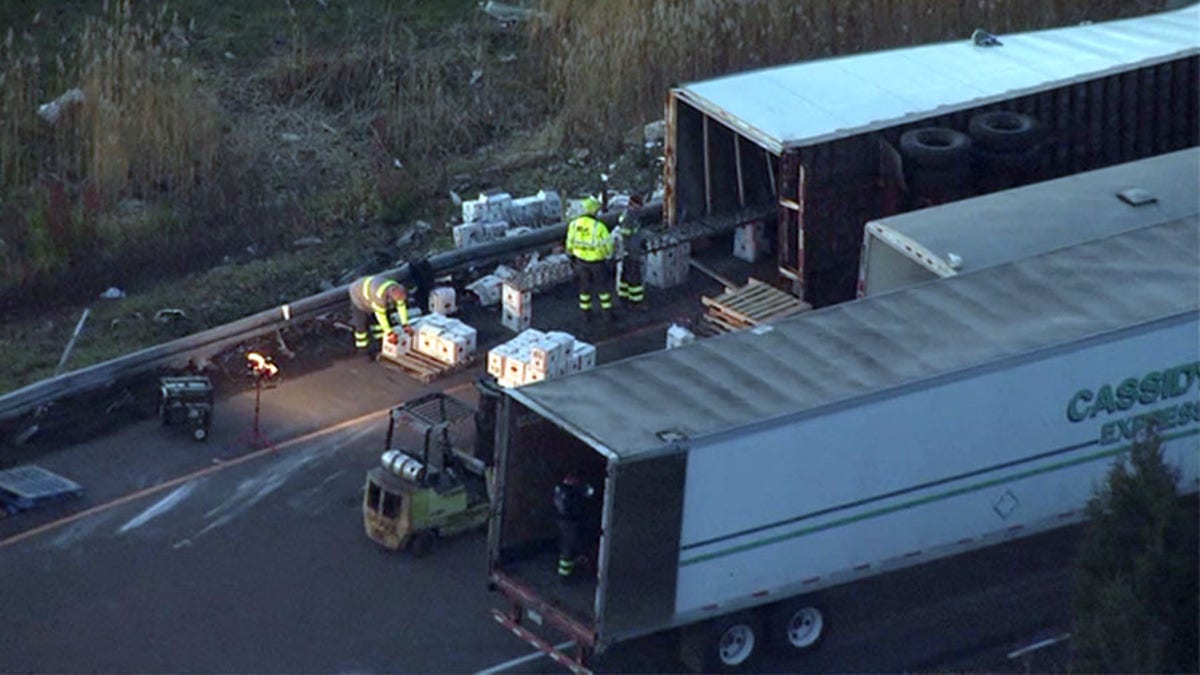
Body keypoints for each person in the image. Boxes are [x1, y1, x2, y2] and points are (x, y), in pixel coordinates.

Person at [565, 195, 614, 322]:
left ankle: (585, 314)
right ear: (594, 211)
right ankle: (607, 314)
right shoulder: (599, 226)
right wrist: (609, 257)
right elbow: (608, 245)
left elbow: (569, 243)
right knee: (602, 288)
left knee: (584, 289)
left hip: (580, 261)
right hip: (597, 262)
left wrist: (571, 255)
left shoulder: (574, 224)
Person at [348, 274, 411, 358]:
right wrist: (389, 333)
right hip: (358, 296)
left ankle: (380, 344)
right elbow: (381, 316)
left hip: (370, 292)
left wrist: (405, 324)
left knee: (379, 326)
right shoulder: (379, 296)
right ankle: (363, 351)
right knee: (361, 326)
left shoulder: (396, 290)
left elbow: (401, 306)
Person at [553, 473, 594, 581]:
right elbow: (588, 494)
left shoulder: (560, 489)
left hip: (564, 520)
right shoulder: (570, 491)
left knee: (568, 544)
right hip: (570, 521)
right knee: (570, 546)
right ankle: (565, 575)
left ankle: (567, 572)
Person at [615, 196, 648, 312]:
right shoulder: (629, 217)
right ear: (632, 204)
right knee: (635, 277)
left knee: (625, 276)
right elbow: (626, 234)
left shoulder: (632, 215)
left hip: (629, 251)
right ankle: (636, 302)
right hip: (630, 251)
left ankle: (624, 297)